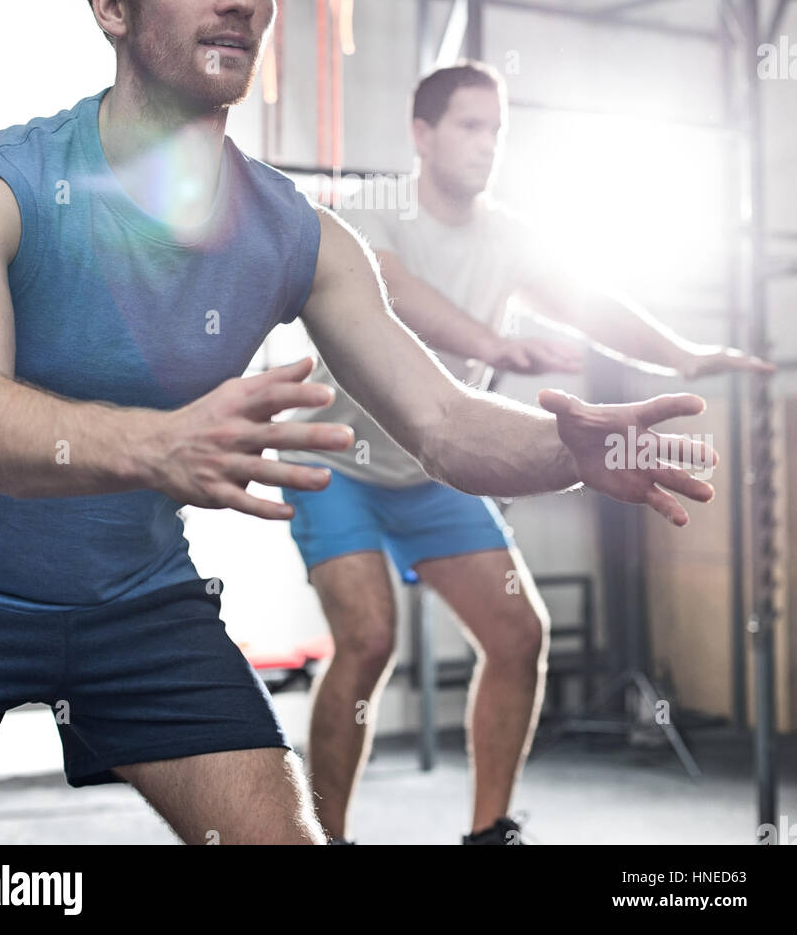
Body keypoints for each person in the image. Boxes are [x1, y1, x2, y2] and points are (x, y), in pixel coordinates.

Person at [0, 0, 718, 848]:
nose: (238, 0)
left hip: (134, 604)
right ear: (111, 3)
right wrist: (153, 444)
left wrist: (572, 453)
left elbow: (441, 424)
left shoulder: (300, 235)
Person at [282, 60, 772, 846]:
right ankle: (325, 839)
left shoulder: (508, 235)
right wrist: (493, 343)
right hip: (336, 459)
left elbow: (588, 302)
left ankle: (488, 834)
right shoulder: (373, 210)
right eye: (470, 127)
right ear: (422, 134)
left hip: (438, 464)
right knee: (369, 639)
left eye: (497, 130)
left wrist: (681, 354)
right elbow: (395, 289)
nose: (487, 145)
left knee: (518, 634)